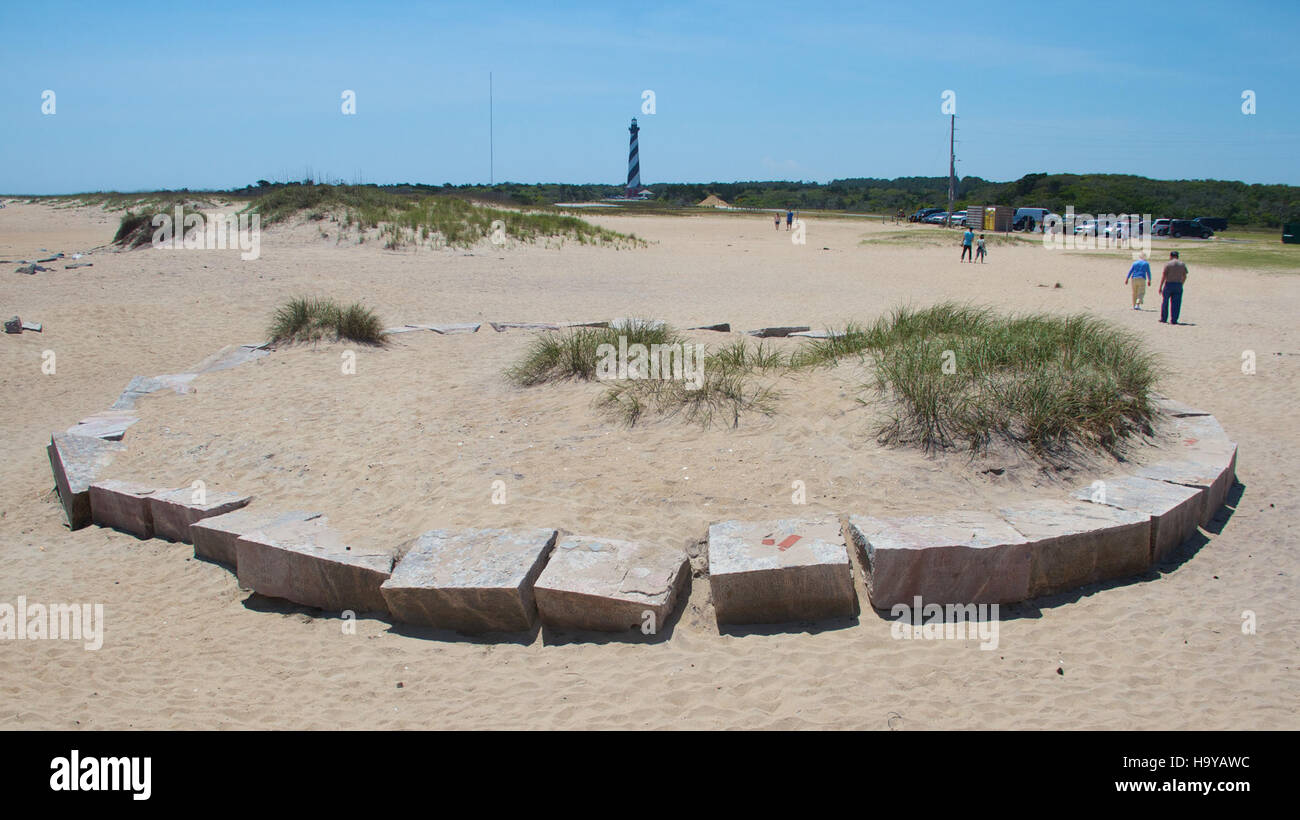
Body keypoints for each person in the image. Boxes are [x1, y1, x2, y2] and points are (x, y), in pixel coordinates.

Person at [1158, 251, 1189, 324]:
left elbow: (1164, 276)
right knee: (1176, 303)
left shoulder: (1168, 264)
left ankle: (1164, 318)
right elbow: (1185, 276)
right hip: (1178, 284)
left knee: (1165, 302)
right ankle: (1174, 319)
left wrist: (1160, 286)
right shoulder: (1182, 264)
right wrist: (1182, 283)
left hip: (1169, 284)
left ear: (1171, 256)